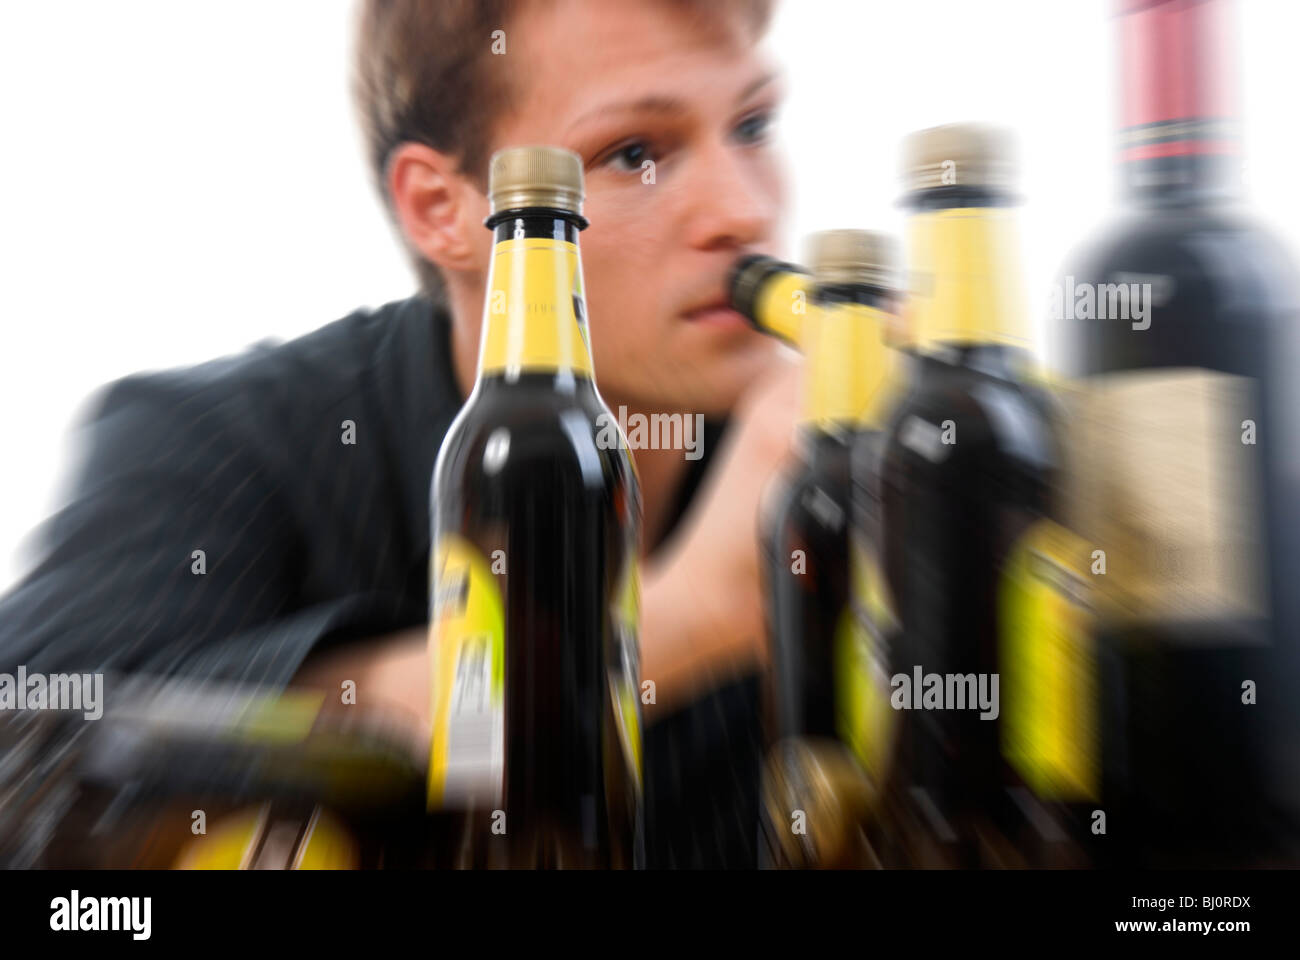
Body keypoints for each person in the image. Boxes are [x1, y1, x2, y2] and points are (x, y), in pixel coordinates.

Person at [0, 0, 799, 867]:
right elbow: (29, 757)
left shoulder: (844, 466)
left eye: (752, 125)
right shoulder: (201, 437)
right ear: (439, 208)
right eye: (634, 153)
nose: (744, 211)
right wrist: (688, 618)